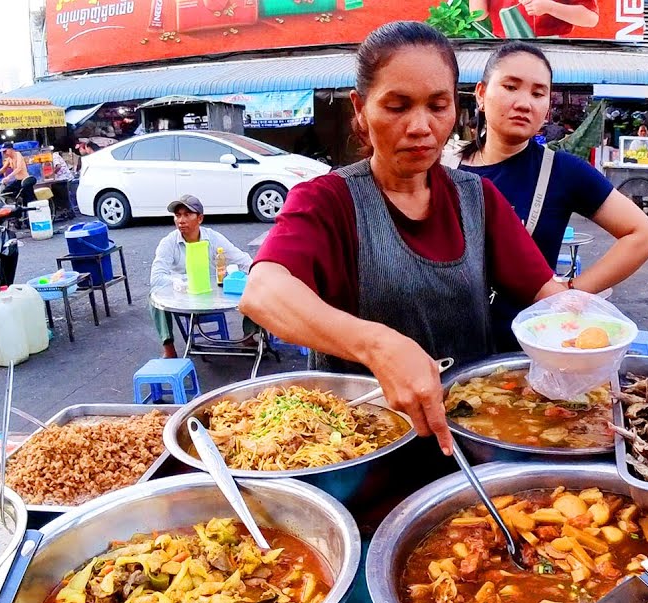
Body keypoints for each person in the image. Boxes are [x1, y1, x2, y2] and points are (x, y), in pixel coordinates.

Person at [240, 22, 567, 454]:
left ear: (458, 107)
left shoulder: (476, 197)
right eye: (397, 106)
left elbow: (546, 296)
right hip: (358, 447)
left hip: (473, 439)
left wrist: (581, 333)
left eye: (438, 105)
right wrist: (377, 344)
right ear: (360, 108)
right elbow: (263, 293)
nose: (421, 126)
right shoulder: (326, 201)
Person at [455, 41, 648, 349]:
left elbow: (644, 235)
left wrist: (572, 292)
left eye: (538, 94)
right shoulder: (443, 168)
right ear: (481, 94)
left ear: (546, 108)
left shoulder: (562, 171)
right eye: (511, 87)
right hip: (448, 345)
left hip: (526, 351)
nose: (524, 102)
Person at [150, 195, 254, 359]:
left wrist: (259, 274)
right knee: (154, 296)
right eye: (178, 215)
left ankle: (250, 335)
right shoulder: (168, 242)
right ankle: (168, 346)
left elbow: (242, 260)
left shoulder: (213, 238)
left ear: (199, 218)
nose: (181, 220)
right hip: (183, 295)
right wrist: (181, 282)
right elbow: (156, 277)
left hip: (212, 293)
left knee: (256, 281)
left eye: (187, 214)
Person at [470, 0, 599, 38]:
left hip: (552, 50)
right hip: (505, 48)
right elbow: (478, 15)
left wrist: (550, 7)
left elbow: (590, 18)